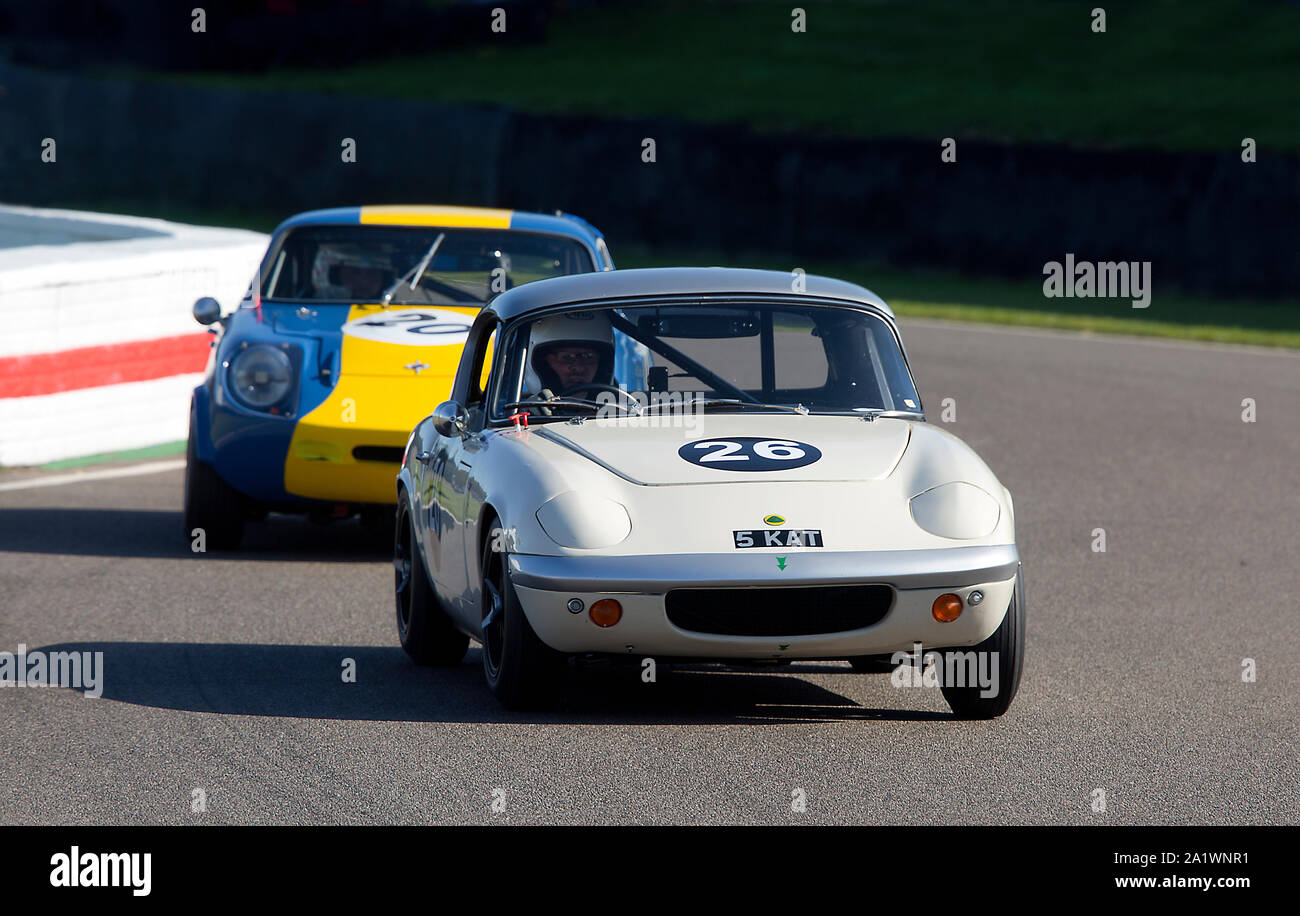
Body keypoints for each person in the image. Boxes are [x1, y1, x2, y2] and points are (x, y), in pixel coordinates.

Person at [524, 311, 617, 396]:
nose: (579, 367)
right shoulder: (514, 411)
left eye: (588, 356)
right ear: (543, 363)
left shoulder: (626, 409)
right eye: (566, 356)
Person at [311, 243, 394, 301]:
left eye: (371, 274)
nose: (363, 281)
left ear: (384, 279)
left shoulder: (398, 307)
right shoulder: (322, 301)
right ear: (338, 276)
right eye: (355, 273)